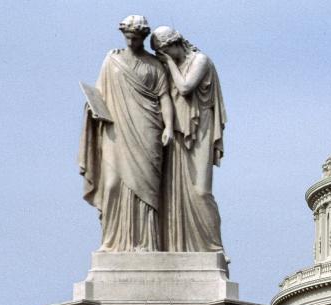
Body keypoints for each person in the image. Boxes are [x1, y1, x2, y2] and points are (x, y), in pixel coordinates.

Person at [79, 15, 174, 252]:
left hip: (148, 128)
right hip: (116, 129)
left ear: (143, 37)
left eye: (136, 38)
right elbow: (99, 93)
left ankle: (146, 243)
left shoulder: (154, 65)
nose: (131, 42)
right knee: (112, 184)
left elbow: (164, 98)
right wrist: (92, 108)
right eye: (128, 37)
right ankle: (113, 242)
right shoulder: (112, 60)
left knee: (146, 187)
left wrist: (169, 127)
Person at [150, 26, 226, 253]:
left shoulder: (200, 60)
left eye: (163, 52)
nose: (161, 57)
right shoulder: (168, 67)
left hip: (200, 128)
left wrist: (168, 62)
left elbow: (185, 87)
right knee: (176, 192)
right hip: (177, 132)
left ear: (174, 44)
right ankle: (180, 246)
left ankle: (213, 246)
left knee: (201, 191)